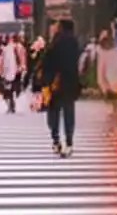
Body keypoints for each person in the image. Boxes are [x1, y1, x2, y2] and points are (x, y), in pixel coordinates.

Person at [42, 19, 81, 158]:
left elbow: (47, 63)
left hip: (56, 83)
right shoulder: (75, 43)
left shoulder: (55, 43)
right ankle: (69, 142)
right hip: (70, 83)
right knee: (69, 113)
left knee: (54, 113)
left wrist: (44, 81)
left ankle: (56, 140)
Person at [0, 32, 21, 114]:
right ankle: (11, 106)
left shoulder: (6, 50)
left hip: (8, 74)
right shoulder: (14, 48)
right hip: (14, 73)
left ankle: (10, 106)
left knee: (7, 91)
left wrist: (3, 72)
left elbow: (6, 63)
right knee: (9, 91)